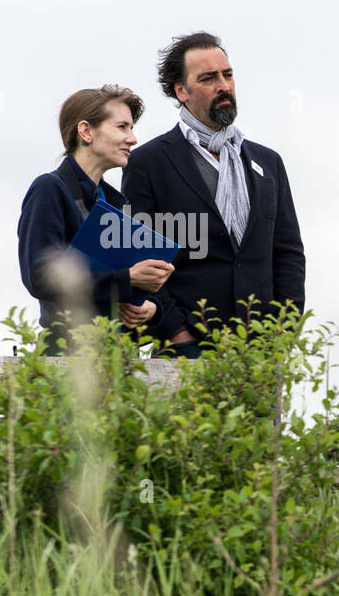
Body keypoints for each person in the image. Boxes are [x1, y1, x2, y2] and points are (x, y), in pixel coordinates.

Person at [121, 32, 306, 358]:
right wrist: (177, 334)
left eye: (227, 75)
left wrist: (282, 335)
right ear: (182, 91)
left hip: (258, 359)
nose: (223, 85)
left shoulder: (268, 163)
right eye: (208, 78)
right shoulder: (148, 163)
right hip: (184, 355)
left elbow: (287, 253)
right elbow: (139, 258)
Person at [18, 85, 172, 353]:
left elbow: (123, 281)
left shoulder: (116, 202)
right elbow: (40, 277)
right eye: (122, 127)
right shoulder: (49, 189)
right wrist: (128, 279)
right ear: (86, 131)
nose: (133, 138)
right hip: (67, 359)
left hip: (119, 358)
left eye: (131, 128)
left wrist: (150, 308)